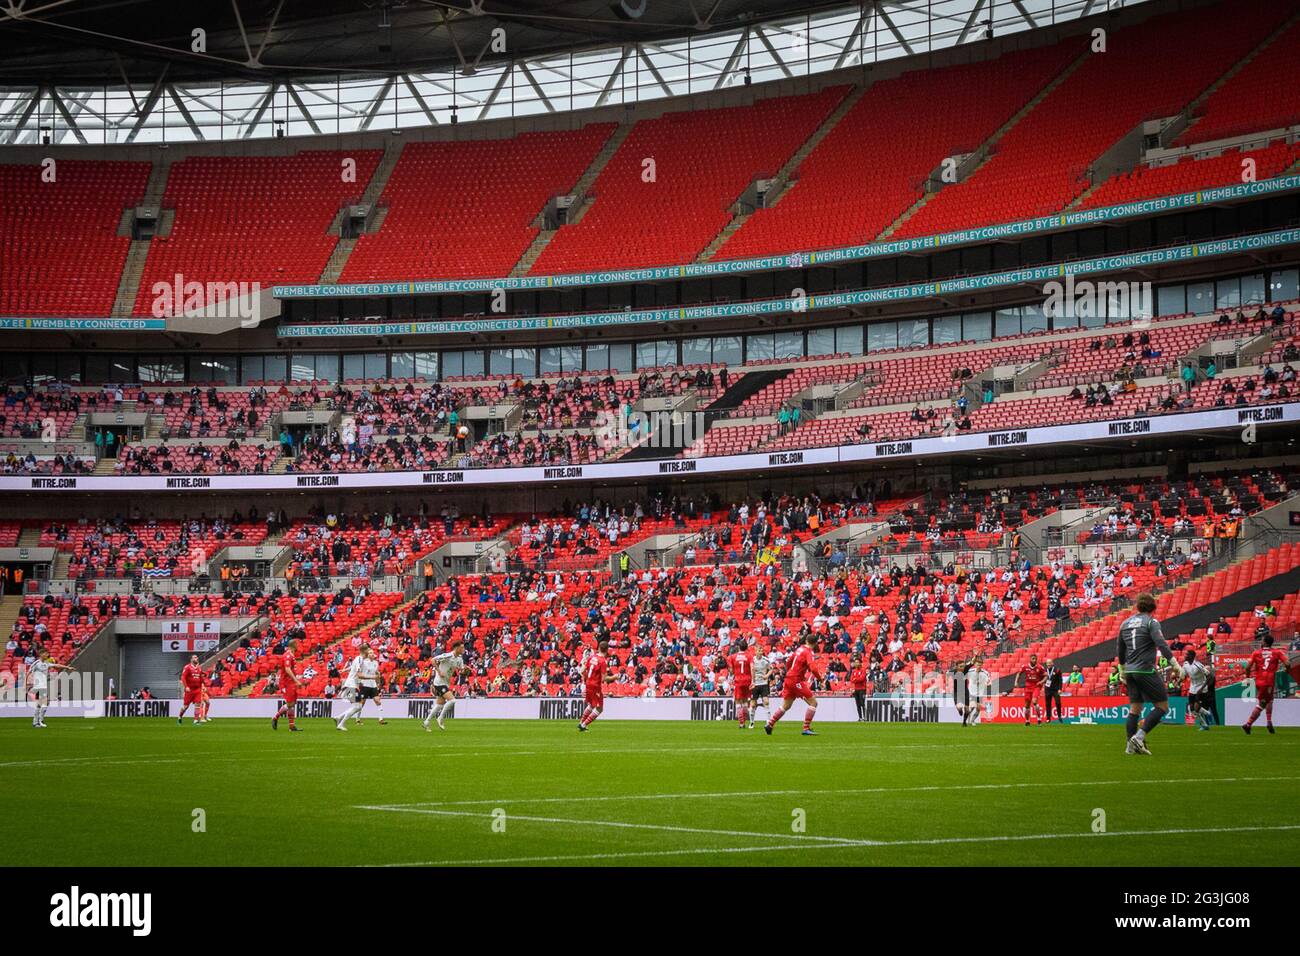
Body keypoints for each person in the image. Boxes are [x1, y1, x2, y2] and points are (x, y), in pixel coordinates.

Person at [1117, 593, 1181, 755]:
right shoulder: (1151, 622)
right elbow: (1161, 644)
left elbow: (1120, 649)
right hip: (1145, 669)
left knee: (1135, 708)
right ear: (1153, 608)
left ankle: (1130, 746)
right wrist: (1175, 664)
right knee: (1162, 706)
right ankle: (1139, 737)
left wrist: (1122, 669)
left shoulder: (1125, 623)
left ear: (1138, 606)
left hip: (1130, 670)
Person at [765, 633, 821, 736]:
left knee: (786, 705)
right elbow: (813, 668)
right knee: (813, 703)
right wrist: (820, 679)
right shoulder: (808, 652)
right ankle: (806, 728)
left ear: (806, 641)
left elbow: (788, 661)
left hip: (789, 678)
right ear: (815, 643)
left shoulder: (799, 649)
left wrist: (790, 672)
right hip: (796, 680)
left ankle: (770, 724)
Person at [1242, 635, 1287, 734]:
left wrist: (1248, 678)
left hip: (1259, 680)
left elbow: (1248, 667)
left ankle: (1268, 722)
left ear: (1265, 642)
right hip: (1268, 681)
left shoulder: (1256, 653)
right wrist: (1287, 670)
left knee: (1269, 700)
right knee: (1262, 703)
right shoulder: (1277, 652)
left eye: (1262, 641)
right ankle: (1248, 724)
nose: (1261, 642)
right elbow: (1287, 663)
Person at [423, 639, 465, 732]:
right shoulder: (448, 655)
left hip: (445, 683)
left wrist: (464, 670)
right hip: (439, 682)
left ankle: (426, 722)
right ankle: (440, 718)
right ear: (456, 648)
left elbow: (461, 670)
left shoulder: (459, 659)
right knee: (452, 700)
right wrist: (439, 671)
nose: (463, 649)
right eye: (462, 647)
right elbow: (433, 660)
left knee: (439, 704)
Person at [336, 645, 381, 731]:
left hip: (352, 685)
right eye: (368, 651)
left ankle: (339, 717)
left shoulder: (360, 659)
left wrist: (344, 670)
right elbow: (359, 675)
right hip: (350, 685)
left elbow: (352, 667)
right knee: (357, 706)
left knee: (358, 706)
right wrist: (372, 677)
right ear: (365, 651)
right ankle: (341, 723)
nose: (370, 653)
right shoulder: (359, 659)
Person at [27, 651, 73, 729]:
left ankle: (36, 722)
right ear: (41, 654)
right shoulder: (36, 663)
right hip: (39, 686)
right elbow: (28, 672)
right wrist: (25, 684)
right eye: (45, 654)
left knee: (41, 704)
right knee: (44, 703)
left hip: (43, 686)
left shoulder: (46, 663)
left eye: (47, 654)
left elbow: (57, 665)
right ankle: (39, 721)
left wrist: (68, 667)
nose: (47, 655)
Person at [577, 639, 614, 732]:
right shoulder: (603, 661)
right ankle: (583, 725)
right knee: (599, 708)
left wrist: (587, 678)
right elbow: (604, 679)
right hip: (595, 686)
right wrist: (615, 677)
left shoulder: (591, 657)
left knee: (591, 705)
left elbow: (582, 671)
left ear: (599, 648)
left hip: (588, 684)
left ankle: (581, 723)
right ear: (607, 650)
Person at [271, 639, 303, 732]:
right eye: (297, 644)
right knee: (290, 704)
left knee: (292, 703)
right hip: (286, 683)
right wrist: (296, 681)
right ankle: (275, 717)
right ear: (293, 645)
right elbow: (287, 669)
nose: (298, 646)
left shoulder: (291, 655)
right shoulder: (287, 655)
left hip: (291, 682)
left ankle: (291, 726)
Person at [1182, 649, 1212, 731]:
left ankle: (1204, 725)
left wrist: (1201, 688)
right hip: (1192, 688)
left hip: (1201, 688)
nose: (1185, 656)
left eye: (1187, 654)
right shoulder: (1185, 664)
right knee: (1192, 709)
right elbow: (1184, 675)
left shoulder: (1198, 665)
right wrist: (1179, 681)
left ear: (1191, 656)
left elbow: (1209, 676)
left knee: (1196, 708)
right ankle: (1207, 714)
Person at [727, 639, 753, 731]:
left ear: (738, 647)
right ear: (746, 647)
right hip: (748, 680)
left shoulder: (732, 657)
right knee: (745, 701)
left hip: (738, 680)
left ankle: (741, 723)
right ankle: (745, 720)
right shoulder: (749, 656)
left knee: (738, 702)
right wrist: (753, 680)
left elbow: (731, 671)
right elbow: (752, 668)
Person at [1017, 653, 1047, 727]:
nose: (1034, 660)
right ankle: (1027, 721)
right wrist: (1016, 682)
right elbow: (1019, 673)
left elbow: (1046, 676)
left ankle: (1039, 719)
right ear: (1030, 659)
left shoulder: (1040, 667)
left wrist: (1041, 682)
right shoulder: (1025, 666)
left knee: (1034, 701)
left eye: (1035, 659)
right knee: (1027, 705)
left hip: (1036, 686)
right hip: (1027, 687)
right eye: (1033, 659)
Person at [177, 654, 205, 726]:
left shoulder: (199, 668)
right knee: (185, 707)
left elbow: (201, 678)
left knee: (198, 704)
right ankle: (180, 716)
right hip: (189, 690)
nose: (197, 658)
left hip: (197, 690)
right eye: (195, 657)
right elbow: (183, 677)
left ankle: (195, 720)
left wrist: (203, 685)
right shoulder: (187, 667)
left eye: (197, 657)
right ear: (191, 659)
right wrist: (186, 686)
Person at [749, 645, 773, 729]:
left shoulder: (766, 660)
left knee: (766, 702)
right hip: (755, 684)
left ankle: (768, 722)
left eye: (762, 650)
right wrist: (752, 681)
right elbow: (750, 670)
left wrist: (767, 675)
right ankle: (752, 722)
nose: (761, 652)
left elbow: (771, 669)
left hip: (764, 683)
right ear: (755, 651)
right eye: (759, 650)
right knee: (753, 704)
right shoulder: (752, 660)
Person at [1043, 658, 1064, 723]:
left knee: (1058, 702)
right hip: (1048, 689)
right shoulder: (1044, 671)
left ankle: (1059, 716)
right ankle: (1048, 718)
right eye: (1047, 663)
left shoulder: (1057, 670)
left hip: (1056, 690)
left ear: (1052, 663)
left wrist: (1060, 689)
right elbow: (1042, 679)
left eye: (1050, 663)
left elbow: (1060, 680)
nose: (1048, 664)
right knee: (1048, 704)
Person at [849, 655, 868, 722]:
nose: (856, 663)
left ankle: (865, 717)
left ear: (860, 663)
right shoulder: (853, 671)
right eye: (855, 662)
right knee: (858, 704)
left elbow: (862, 678)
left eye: (857, 662)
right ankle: (860, 717)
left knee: (862, 703)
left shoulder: (863, 670)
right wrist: (857, 679)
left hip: (862, 689)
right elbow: (851, 679)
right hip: (856, 689)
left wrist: (855, 679)